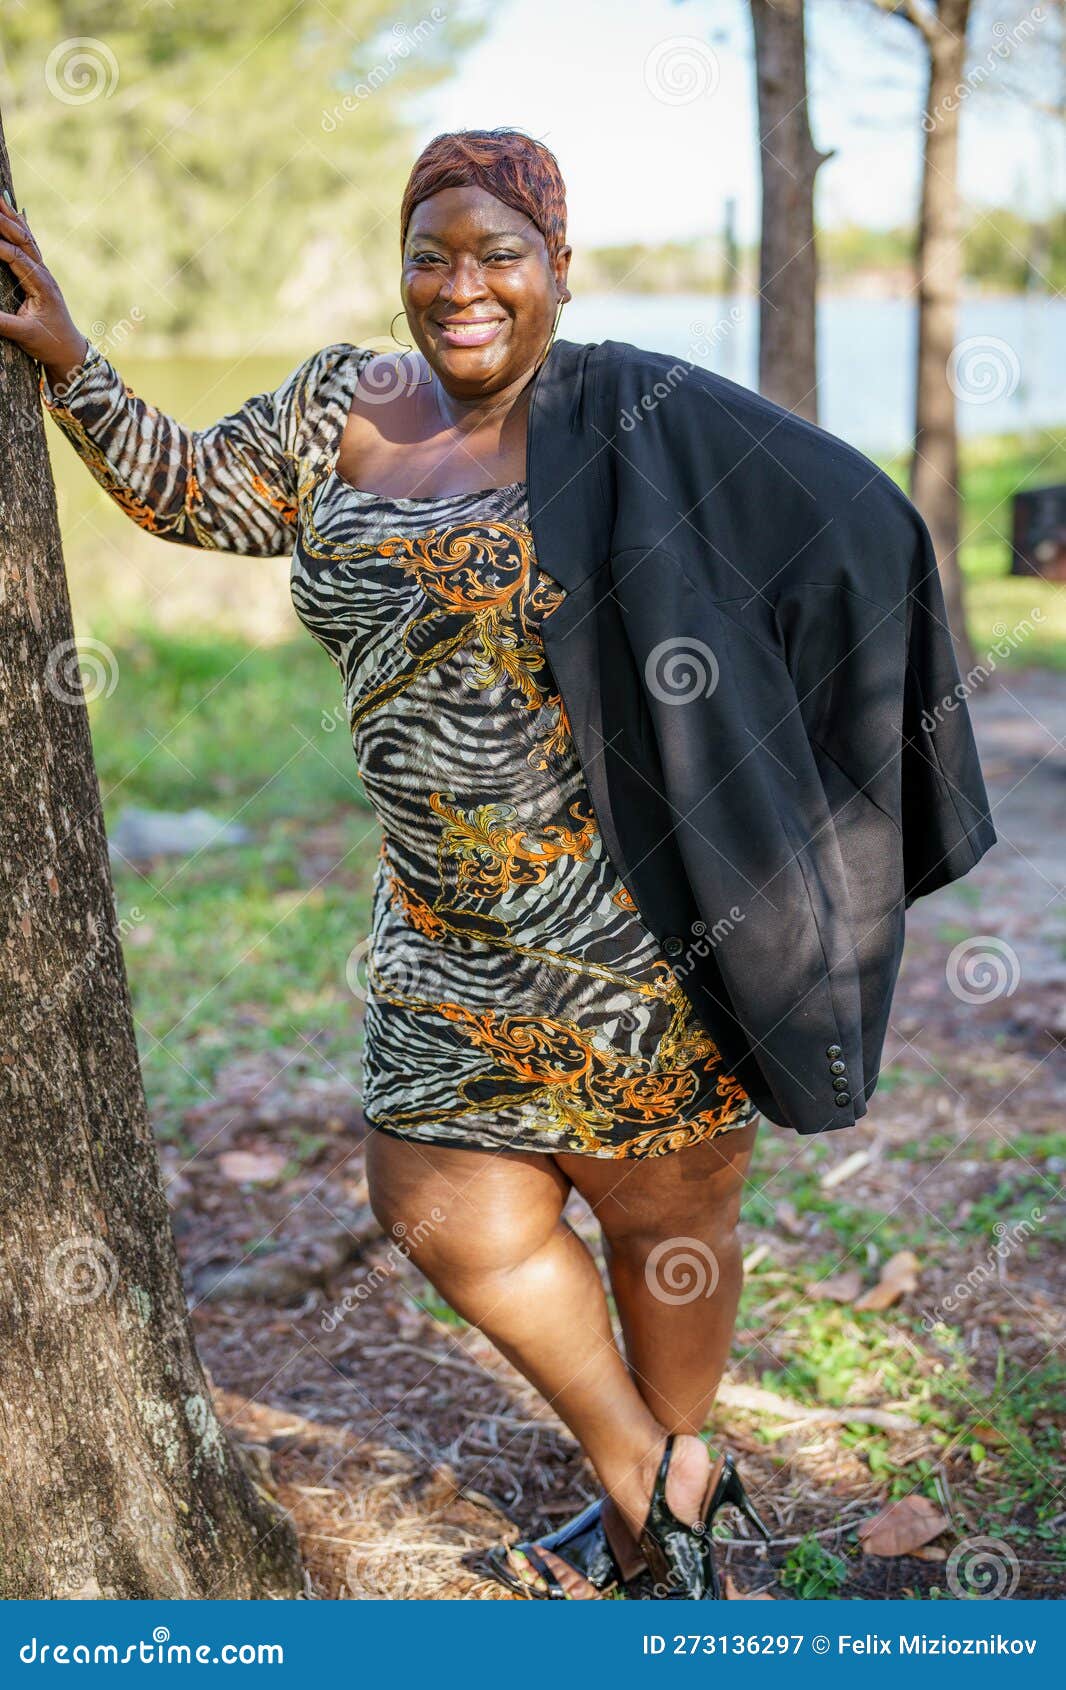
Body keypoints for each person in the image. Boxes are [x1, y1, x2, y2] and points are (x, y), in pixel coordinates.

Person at [0, 125, 991, 1600]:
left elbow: (856, 531)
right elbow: (198, 492)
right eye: (431, 254)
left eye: (498, 254)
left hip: (644, 935)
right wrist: (76, 364)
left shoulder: (640, 412)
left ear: (557, 271)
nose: (460, 285)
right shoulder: (343, 402)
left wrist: (842, 764)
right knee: (436, 1206)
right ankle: (648, 1464)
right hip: (440, 927)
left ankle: (669, 1512)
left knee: (665, 1221)